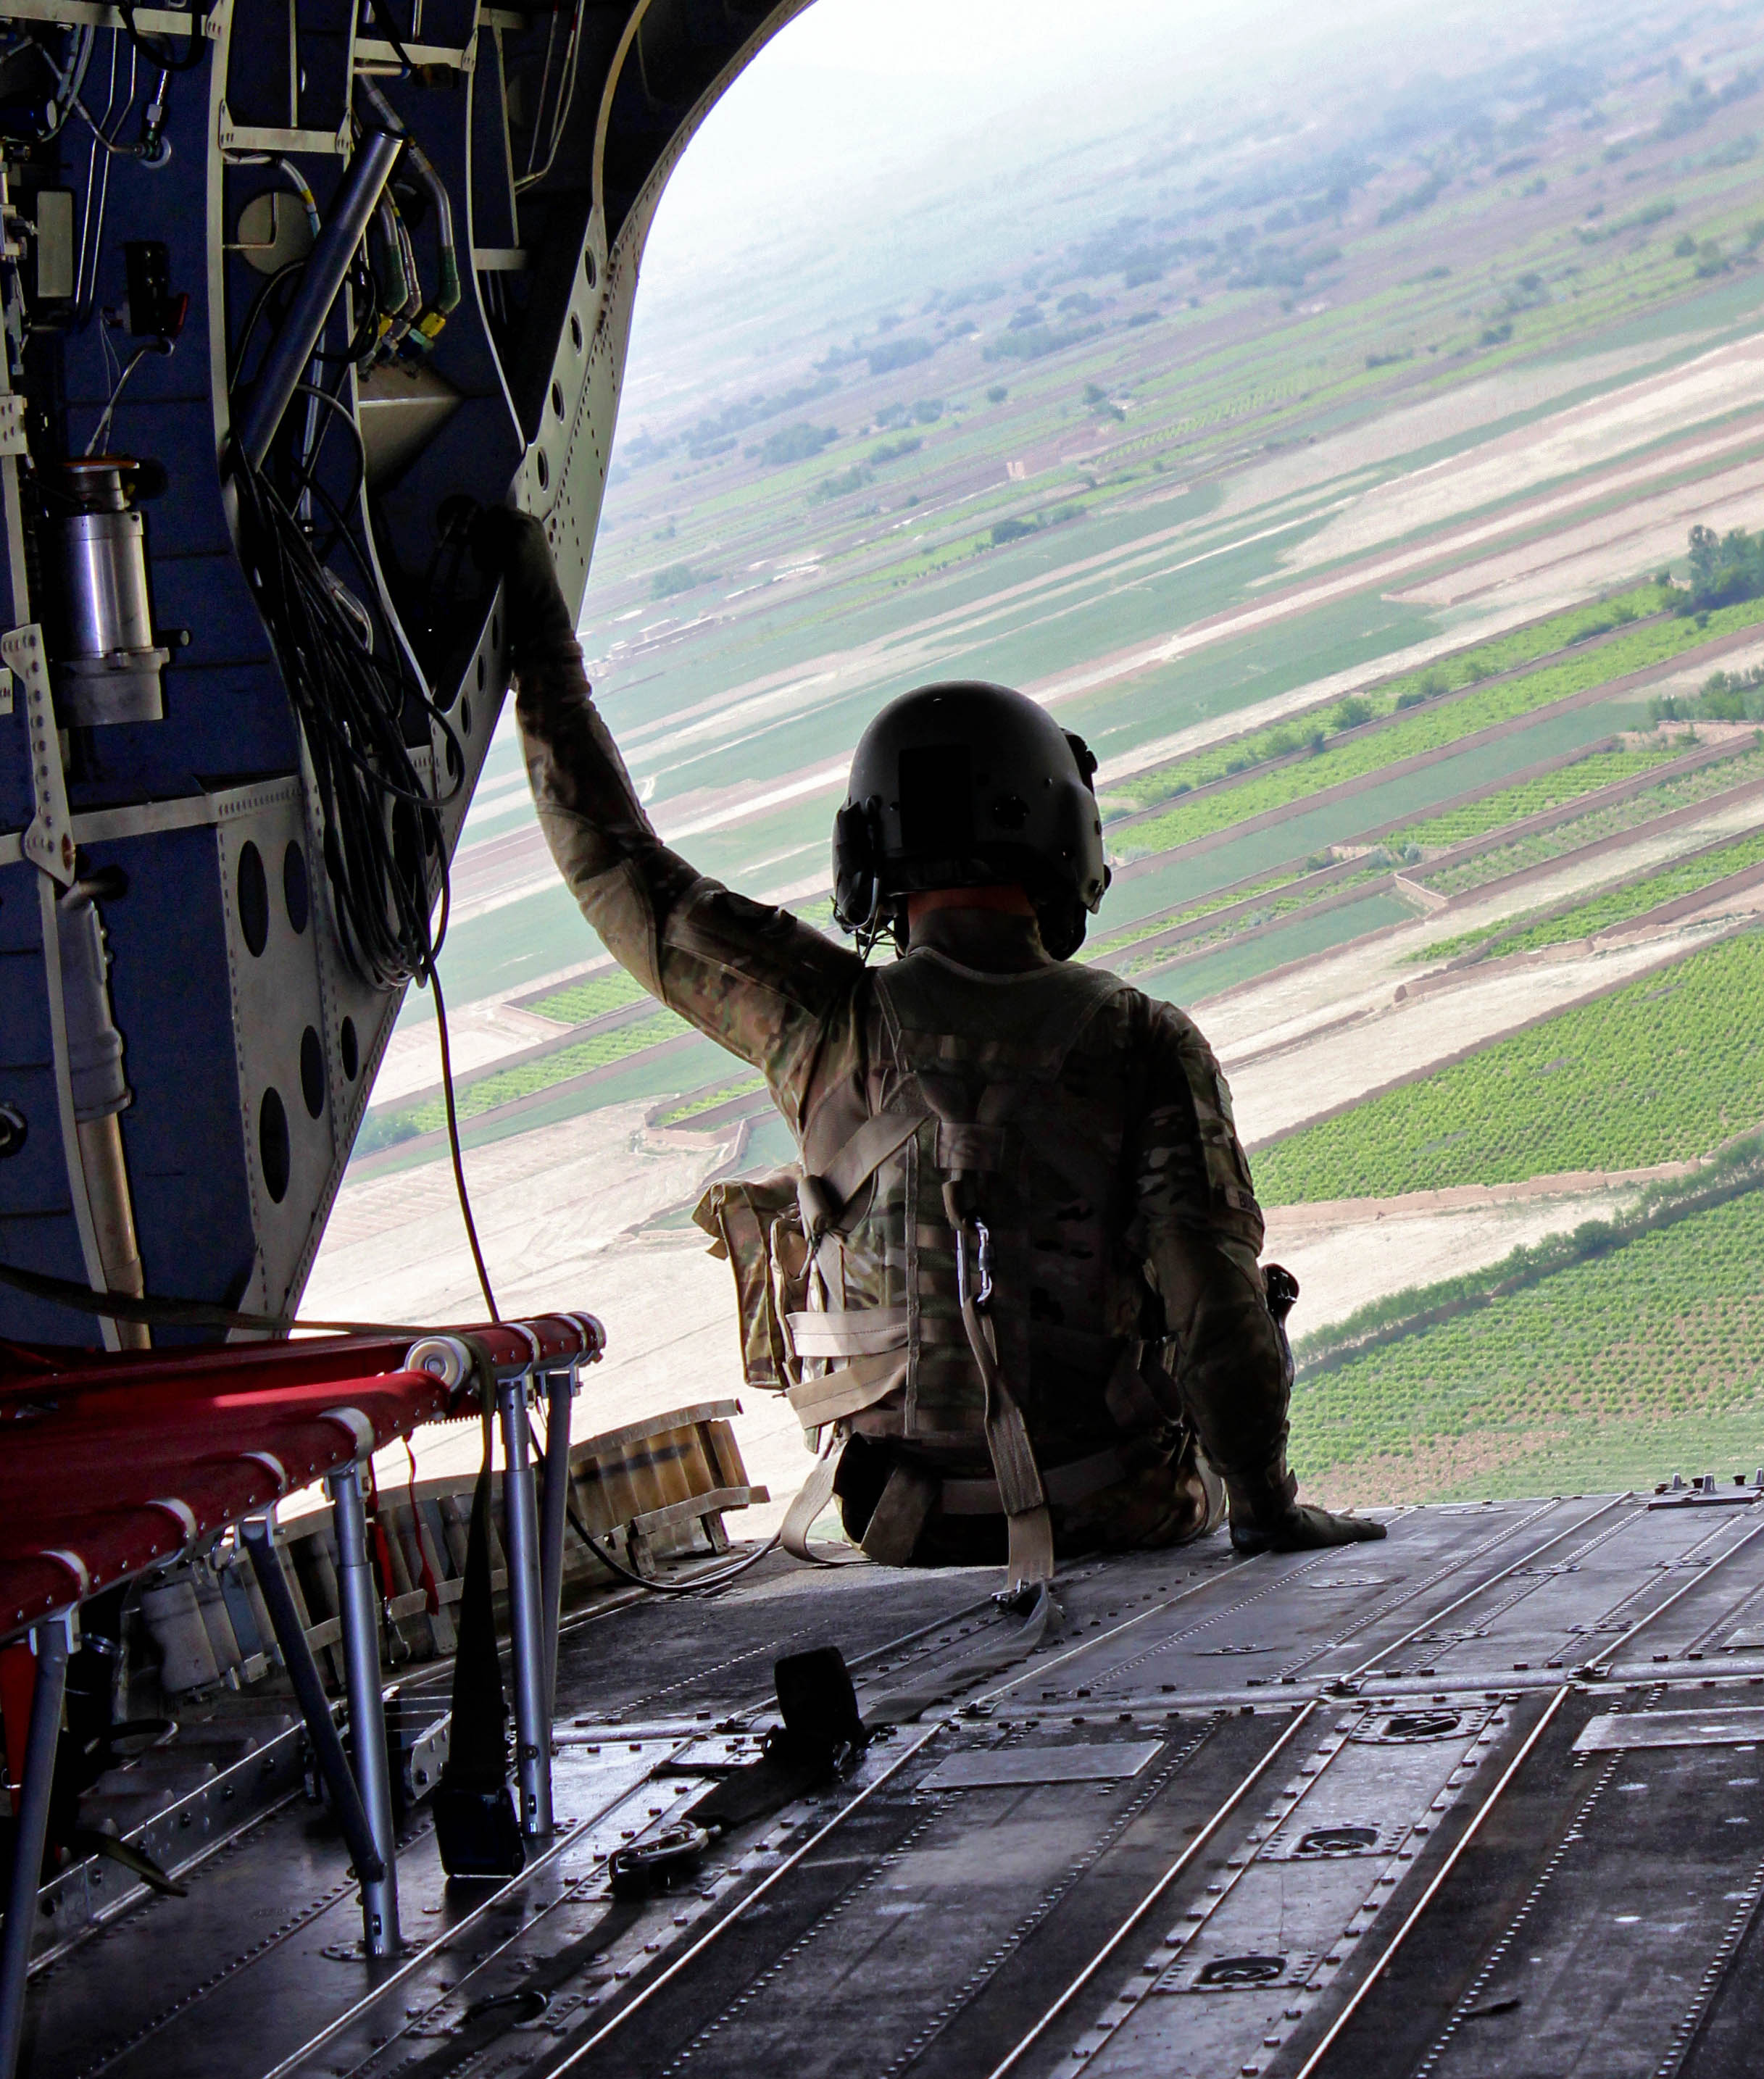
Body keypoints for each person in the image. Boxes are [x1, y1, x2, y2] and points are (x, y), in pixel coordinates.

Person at [475, 511, 1380, 1588]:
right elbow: (1214, 1308)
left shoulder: (813, 1020)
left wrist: (541, 649)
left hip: (902, 1523)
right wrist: (1268, 1510)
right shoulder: (1142, 1041)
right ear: (1064, 835)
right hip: (1124, 1511)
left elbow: (620, 871)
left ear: (868, 853)